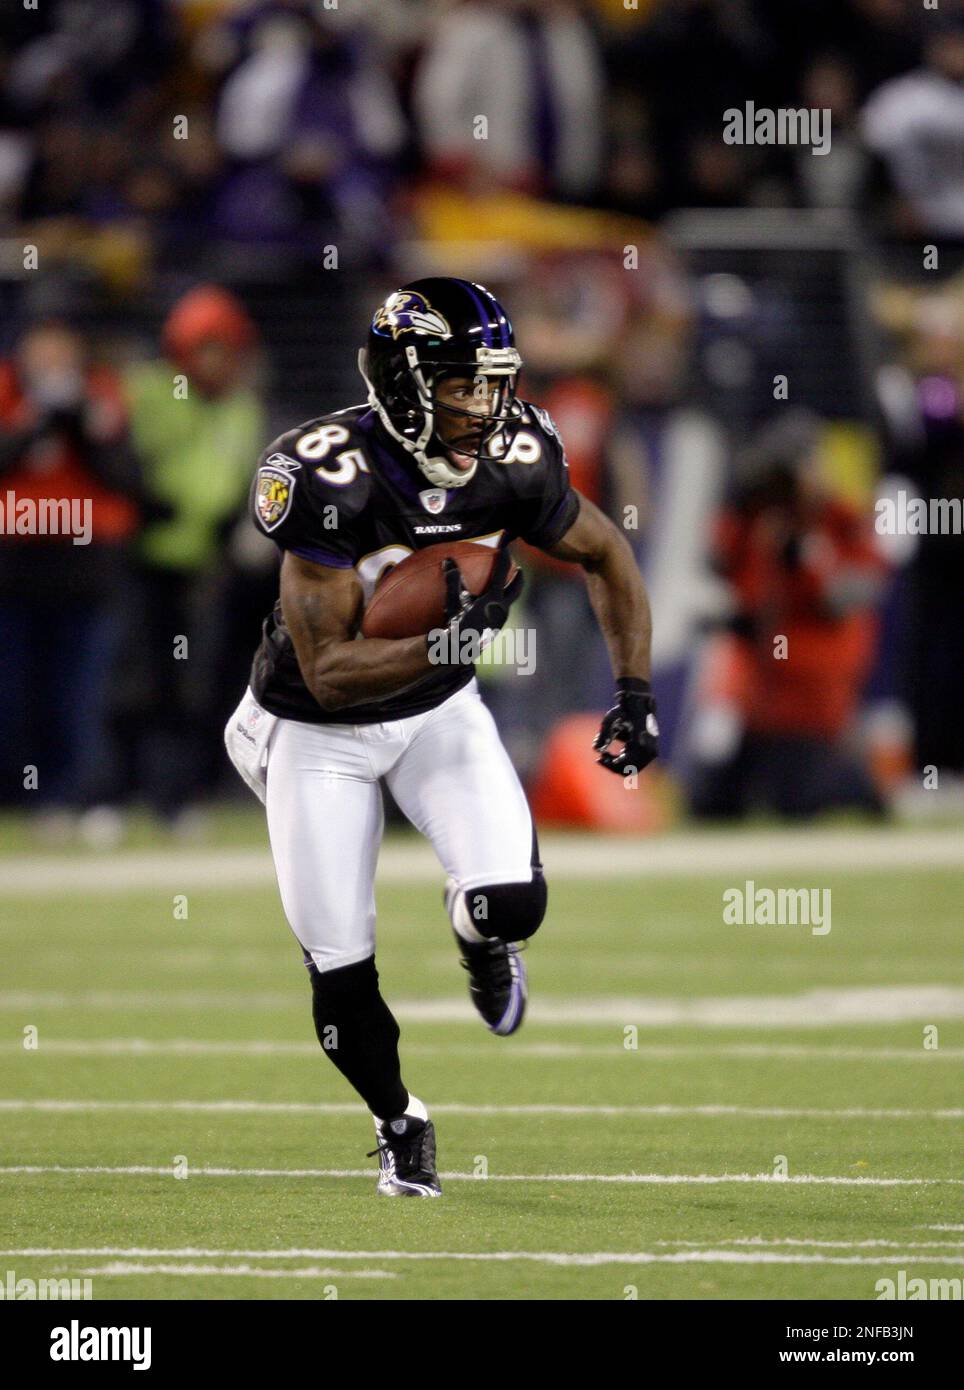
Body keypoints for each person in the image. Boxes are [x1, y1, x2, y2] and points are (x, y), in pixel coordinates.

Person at [224, 277, 658, 1196]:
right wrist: (447, 638)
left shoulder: (517, 451)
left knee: (513, 903)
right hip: (316, 727)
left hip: (435, 713)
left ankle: (481, 941)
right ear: (400, 380)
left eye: (492, 382)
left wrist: (634, 692)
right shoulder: (323, 475)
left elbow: (606, 553)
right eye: (460, 383)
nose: (482, 406)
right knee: (340, 968)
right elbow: (333, 668)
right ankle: (398, 1120)